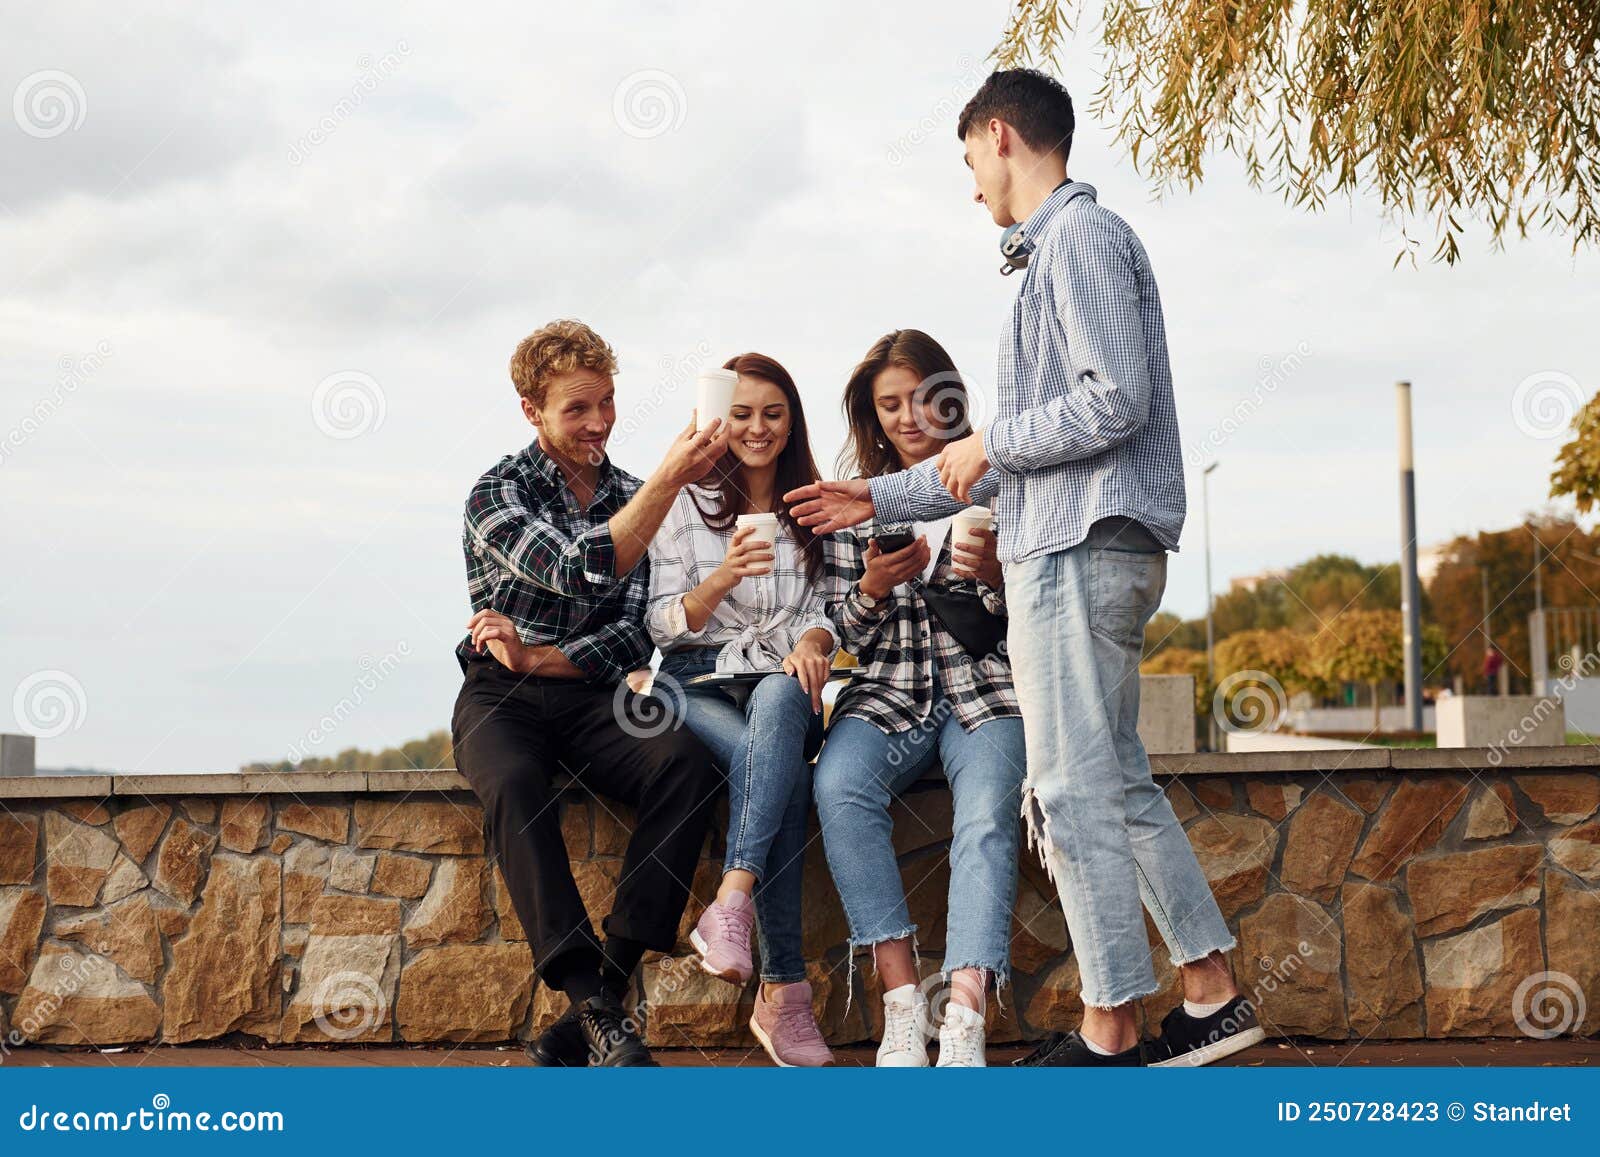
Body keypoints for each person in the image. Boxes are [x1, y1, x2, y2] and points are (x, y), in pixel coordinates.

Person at [787, 70, 1261, 1067]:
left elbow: (1113, 399)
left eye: (969, 159)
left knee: (1067, 790)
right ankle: (1210, 990)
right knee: (1114, 780)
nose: (972, 185)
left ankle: (1110, 1026)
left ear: (1000, 136)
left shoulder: (1078, 239)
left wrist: (989, 440)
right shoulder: (1060, 252)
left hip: (1081, 547)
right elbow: (1012, 457)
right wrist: (875, 497)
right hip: (1081, 539)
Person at [451, 319, 728, 1067]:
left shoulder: (634, 495)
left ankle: (603, 995)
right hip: (499, 695)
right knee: (513, 781)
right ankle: (590, 998)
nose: (599, 421)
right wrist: (669, 481)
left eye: (606, 401)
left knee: (686, 763)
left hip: (590, 693)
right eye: (576, 408)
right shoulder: (496, 494)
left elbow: (637, 633)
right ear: (531, 410)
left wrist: (540, 656)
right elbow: (579, 567)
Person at [813, 330, 1025, 1068]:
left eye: (919, 398)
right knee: (838, 784)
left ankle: (964, 1015)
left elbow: (1037, 612)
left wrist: (998, 575)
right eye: (888, 405)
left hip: (986, 689)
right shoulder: (854, 501)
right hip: (888, 692)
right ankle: (902, 1006)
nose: (907, 417)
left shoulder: (999, 483)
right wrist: (872, 588)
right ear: (871, 416)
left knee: (988, 812)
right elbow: (839, 630)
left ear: (950, 397)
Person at [646, 353, 837, 1066]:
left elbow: (832, 609)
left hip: (780, 678)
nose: (758, 428)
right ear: (719, 420)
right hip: (693, 680)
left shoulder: (815, 505)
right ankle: (785, 990)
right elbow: (661, 624)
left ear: (792, 422)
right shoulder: (683, 503)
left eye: (773, 413)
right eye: (743, 414)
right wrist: (723, 574)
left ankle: (732, 901)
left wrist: (816, 640)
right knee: (782, 775)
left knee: (783, 702)